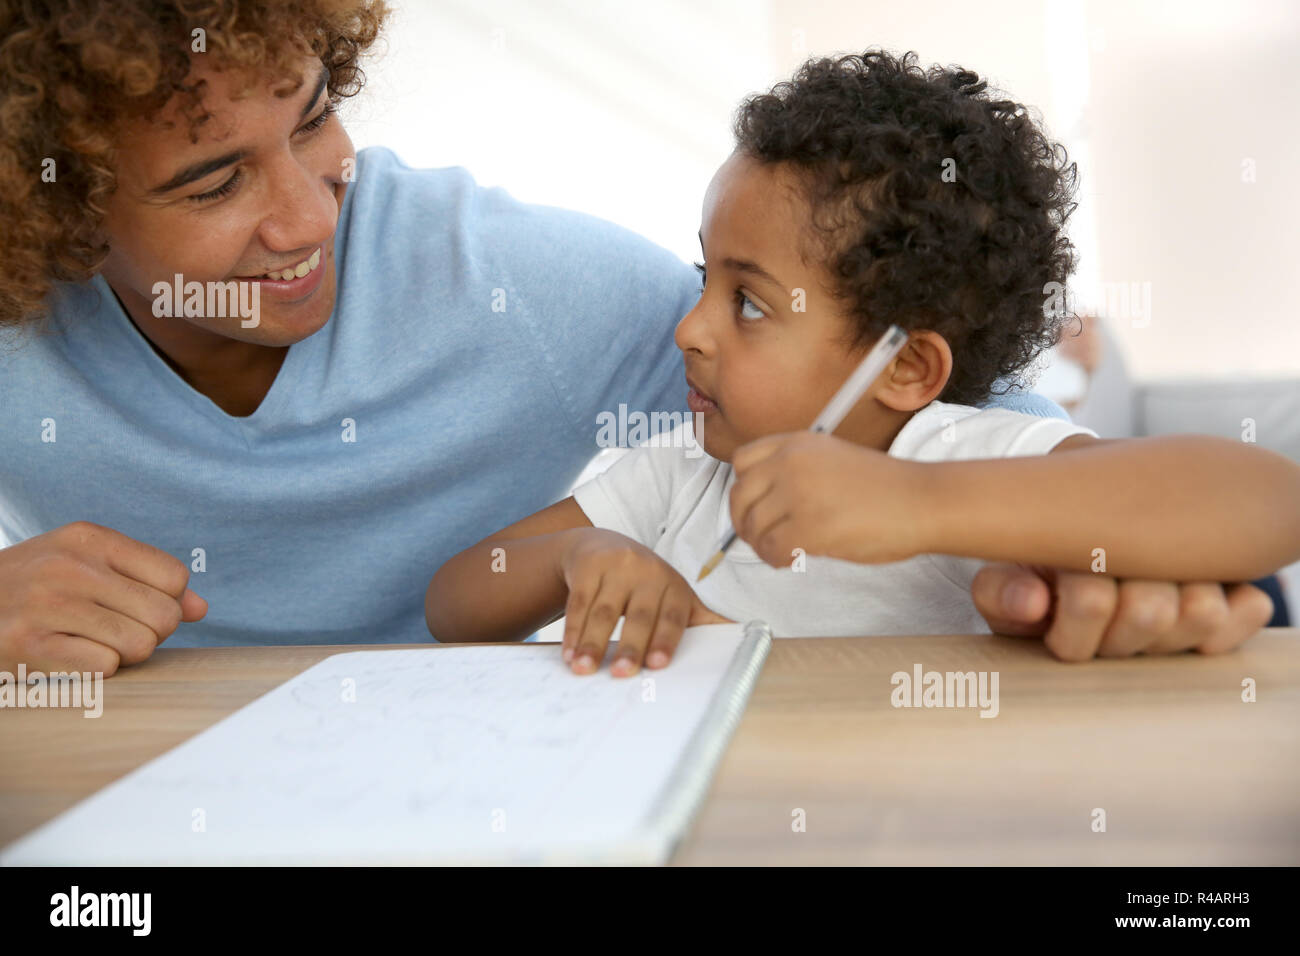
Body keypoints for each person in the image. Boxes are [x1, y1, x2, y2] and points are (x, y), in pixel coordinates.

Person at [0, 3, 1276, 679]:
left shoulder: (527, 288)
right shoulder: (676, 472)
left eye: (318, 114)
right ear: (51, 200)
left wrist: (1121, 560)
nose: (302, 215)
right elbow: (472, 590)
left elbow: (937, 388)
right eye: (213, 181)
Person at [426, 51, 1299, 675]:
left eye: (750, 303)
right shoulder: (683, 473)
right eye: (705, 279)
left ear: (908, 370)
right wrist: (582, 553)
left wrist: (917, 507)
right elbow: (454, 603)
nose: (689, 328)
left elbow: (1268, 501)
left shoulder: (951, 460)